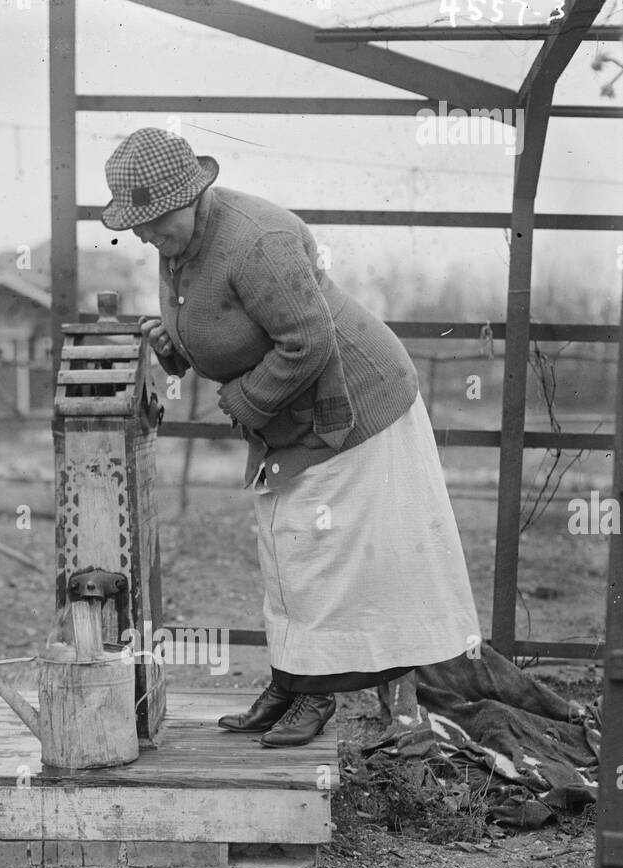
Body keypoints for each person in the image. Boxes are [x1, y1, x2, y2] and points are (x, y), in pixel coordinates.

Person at [102, 127, 481, 748]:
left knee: (315, 547)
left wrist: (246, 400)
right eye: (136, 224)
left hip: (354, 403)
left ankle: (317, 695)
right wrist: (175, 349)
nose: (143, 234)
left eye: (152, 220)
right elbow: (221, 330)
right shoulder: (177, 243)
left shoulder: (258, 240)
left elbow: (309, 341)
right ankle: (290, 681)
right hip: (293, 412)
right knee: (284, 547)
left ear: (191, 195)